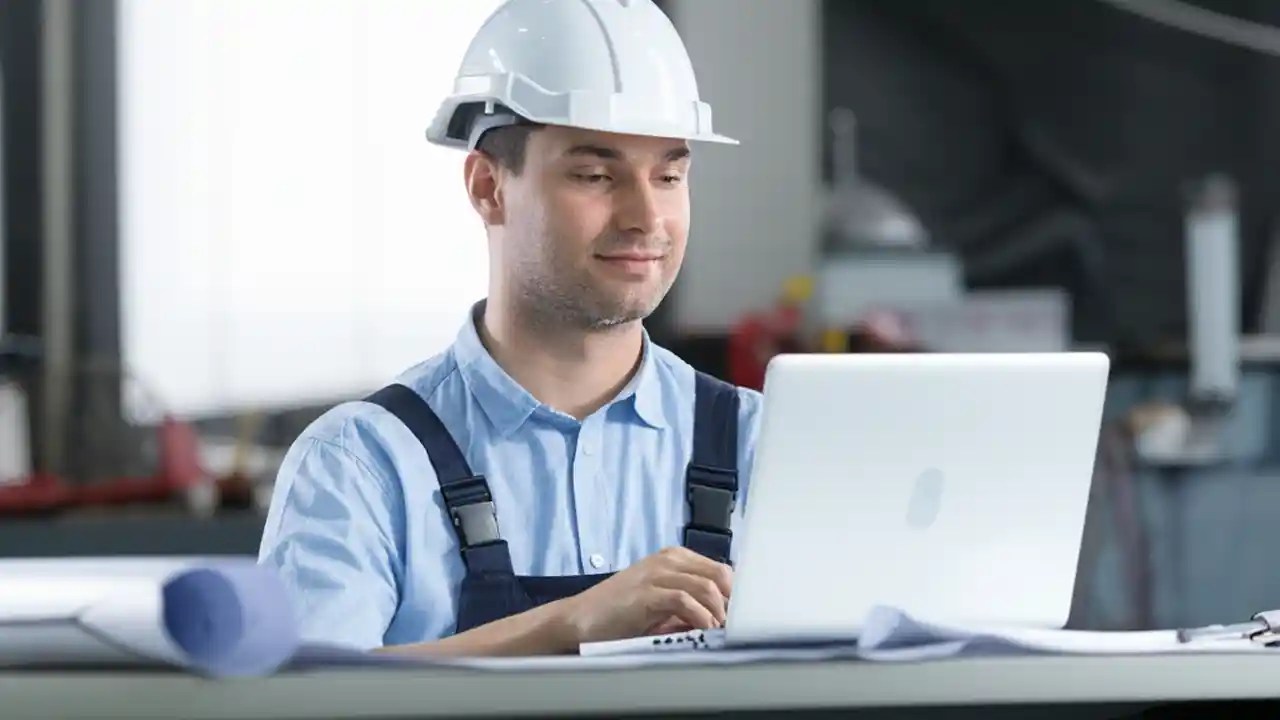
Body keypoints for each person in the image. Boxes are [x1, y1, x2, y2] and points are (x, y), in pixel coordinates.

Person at [257, 0, 763, 656]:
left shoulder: (765, 448)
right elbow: (308, 702)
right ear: (488, 187)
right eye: (595, 175)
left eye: (669, 176)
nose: (646, 216)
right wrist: (569, 626)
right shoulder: (361, 466)